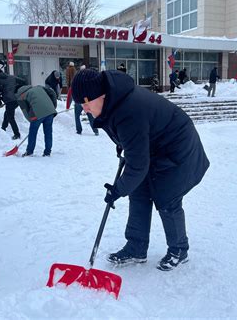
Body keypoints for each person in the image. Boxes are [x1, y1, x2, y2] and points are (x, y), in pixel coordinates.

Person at [71, 69, 210, 271]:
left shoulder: (128, 111)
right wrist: (124, 146)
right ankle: (136, 247)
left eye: (86, 104)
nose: (85, 110)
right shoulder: (113, 101)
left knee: (167, 199)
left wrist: (117, 190)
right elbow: (131, 139)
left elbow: (137, 164)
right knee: (138, 192)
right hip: (156, 147)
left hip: (178, 149)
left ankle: (179, 250)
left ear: (100, 96)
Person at [16, 84, 57, 157]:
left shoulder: (20, 97)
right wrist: (53, 107)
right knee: (48, 133)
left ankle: (29, 152)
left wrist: (31, 121)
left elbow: (25, 111)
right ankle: (47, 152)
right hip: (50, 112)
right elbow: (52, 92)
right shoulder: (39, 87)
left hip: (37, 113)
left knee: (33, 133)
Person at [0, 69, 25, 140]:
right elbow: (23, 81)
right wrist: (18, 90)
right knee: (8, 112)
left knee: (11, 117)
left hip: (9, 100)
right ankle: (3, 127)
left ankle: (17, 134)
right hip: (16, 99)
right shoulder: (11, 77)